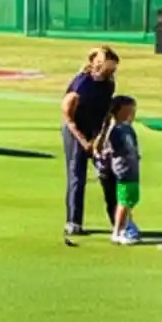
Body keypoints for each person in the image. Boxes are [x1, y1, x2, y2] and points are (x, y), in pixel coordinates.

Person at [59, 46, 120, 236]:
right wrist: (84, 141)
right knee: (77, 175)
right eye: (109, 66)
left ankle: (119, 223)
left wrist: (100, 138)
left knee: (107, 174)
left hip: (95, 133)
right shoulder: (82, 83)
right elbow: (68, 116)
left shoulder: (109, 84)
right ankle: (73, 222)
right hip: (75, 131)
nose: (113, 70)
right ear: (98, 64)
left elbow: (106, 115)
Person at [93, 95, 142, 245]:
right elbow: (112, 150)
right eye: (130, 111)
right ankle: (118, 232)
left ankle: (127, 226)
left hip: (132, 171)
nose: (132, 114)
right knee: (123, 202)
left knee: (130, 200)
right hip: (123, 171)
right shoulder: (117, 130)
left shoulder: (128, 130)